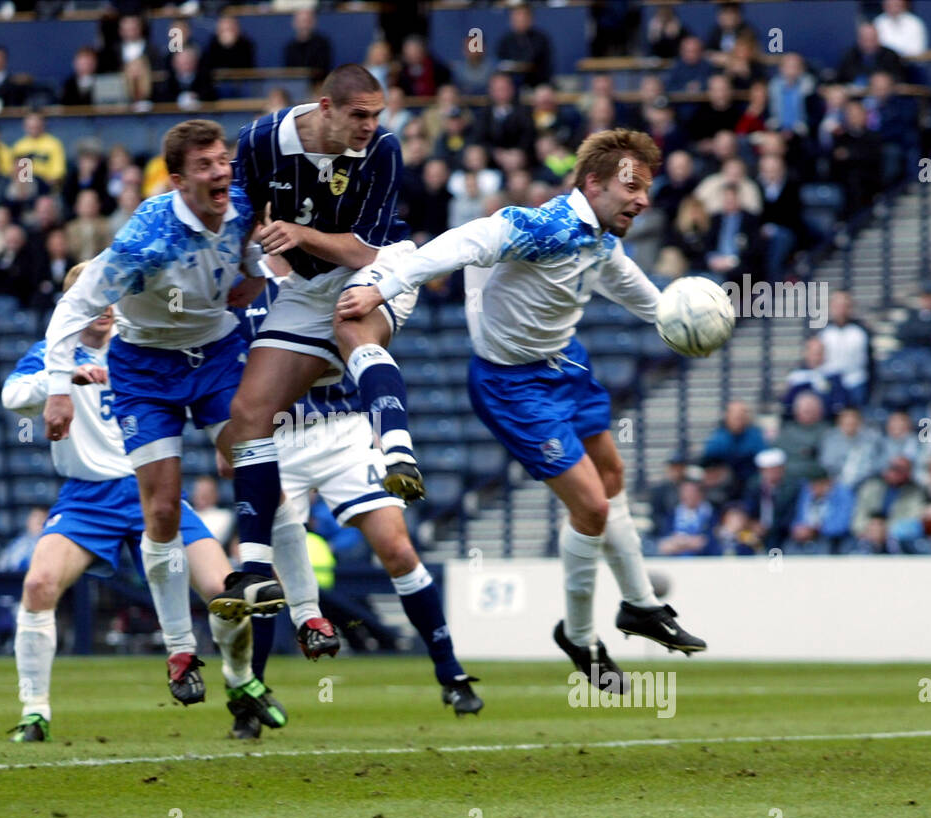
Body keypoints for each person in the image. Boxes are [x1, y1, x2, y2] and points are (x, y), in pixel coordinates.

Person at [337, 128, 709, 696]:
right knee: (591, 505)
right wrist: (384, 288)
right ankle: (600, 626)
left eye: (647, 189)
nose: (643, 199)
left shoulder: (600, 242)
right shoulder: (539, 227)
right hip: (512, 385)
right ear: (592, 183)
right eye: (632, 186)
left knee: (612, 478)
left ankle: (630, 610)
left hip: (565, 364)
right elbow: (461, 243)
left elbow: (640, 294)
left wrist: (683, 318)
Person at [41, 120, 292, 721]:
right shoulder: (145, 240)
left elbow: (251, 246)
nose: (221, 171)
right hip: (145, 367)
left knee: (254, 448)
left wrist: (254, 270)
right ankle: (180, 650)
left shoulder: (241, 203)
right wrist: (57, 390)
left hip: (215, 353)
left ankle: (254, 575)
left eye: (223, 160)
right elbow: (75, 304)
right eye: (205, 165)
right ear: (177, 180)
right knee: (160, 508)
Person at [5, 263, 285, 740]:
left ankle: (240, 683)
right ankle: (35, 711)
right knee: (39, 585)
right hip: (87, 498)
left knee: (226, 592)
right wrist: (63, 379)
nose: (104, 308)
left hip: (151, 489)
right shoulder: (52, 355)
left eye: (110, 297)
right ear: (72, 307)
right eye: (93, 300)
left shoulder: (139, 347)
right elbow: (14, 396)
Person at [230, 263, 484, 737]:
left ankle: (450, 672)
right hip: (276, 437)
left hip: (341, 425)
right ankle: (250, 695)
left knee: (397, 548)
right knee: (262, 575)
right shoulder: (245, 280)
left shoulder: (341, 268)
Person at [222, 65, 423, 615]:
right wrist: (245, 271)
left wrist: (302, 235)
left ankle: (398, 453)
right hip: (310, 283)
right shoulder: (262, 141)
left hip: (381, 267)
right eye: (359, 114)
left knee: (351, 322)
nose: (370, 125)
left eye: (377, 114)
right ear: (325, 107)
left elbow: (365, 250)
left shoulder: (382, 148)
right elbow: (240, 216)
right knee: (248, 411)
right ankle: (256, 572)